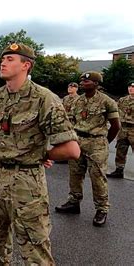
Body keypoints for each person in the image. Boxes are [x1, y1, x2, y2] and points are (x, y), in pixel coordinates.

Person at [0, 43, 80, 265]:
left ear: (26, 65)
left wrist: (41, 153)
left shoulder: (44, 98)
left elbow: (72, 149)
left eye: (10, 59)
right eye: (3, 58)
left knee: (35, 250)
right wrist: (14, 148)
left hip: (27, 183)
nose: (3, 62)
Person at [55, 71, 120, 227]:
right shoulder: (78, 101)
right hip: (78, 141)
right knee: (75, 174)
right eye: (82, 81)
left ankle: (102, 209)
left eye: (87, 82)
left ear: (96, 84)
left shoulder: (107, 102)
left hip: (96, 143)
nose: (83, 84)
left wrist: (103, 141)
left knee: (98, 178)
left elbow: (116, 126)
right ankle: (74, 202)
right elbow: (71, 121)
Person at [107, 81, 134, 178]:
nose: (131, 89)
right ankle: (119, 170)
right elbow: (116, 112)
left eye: (133, 87)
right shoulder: (122, 100)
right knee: (120, 151)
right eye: (130, 87)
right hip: (123, 128)